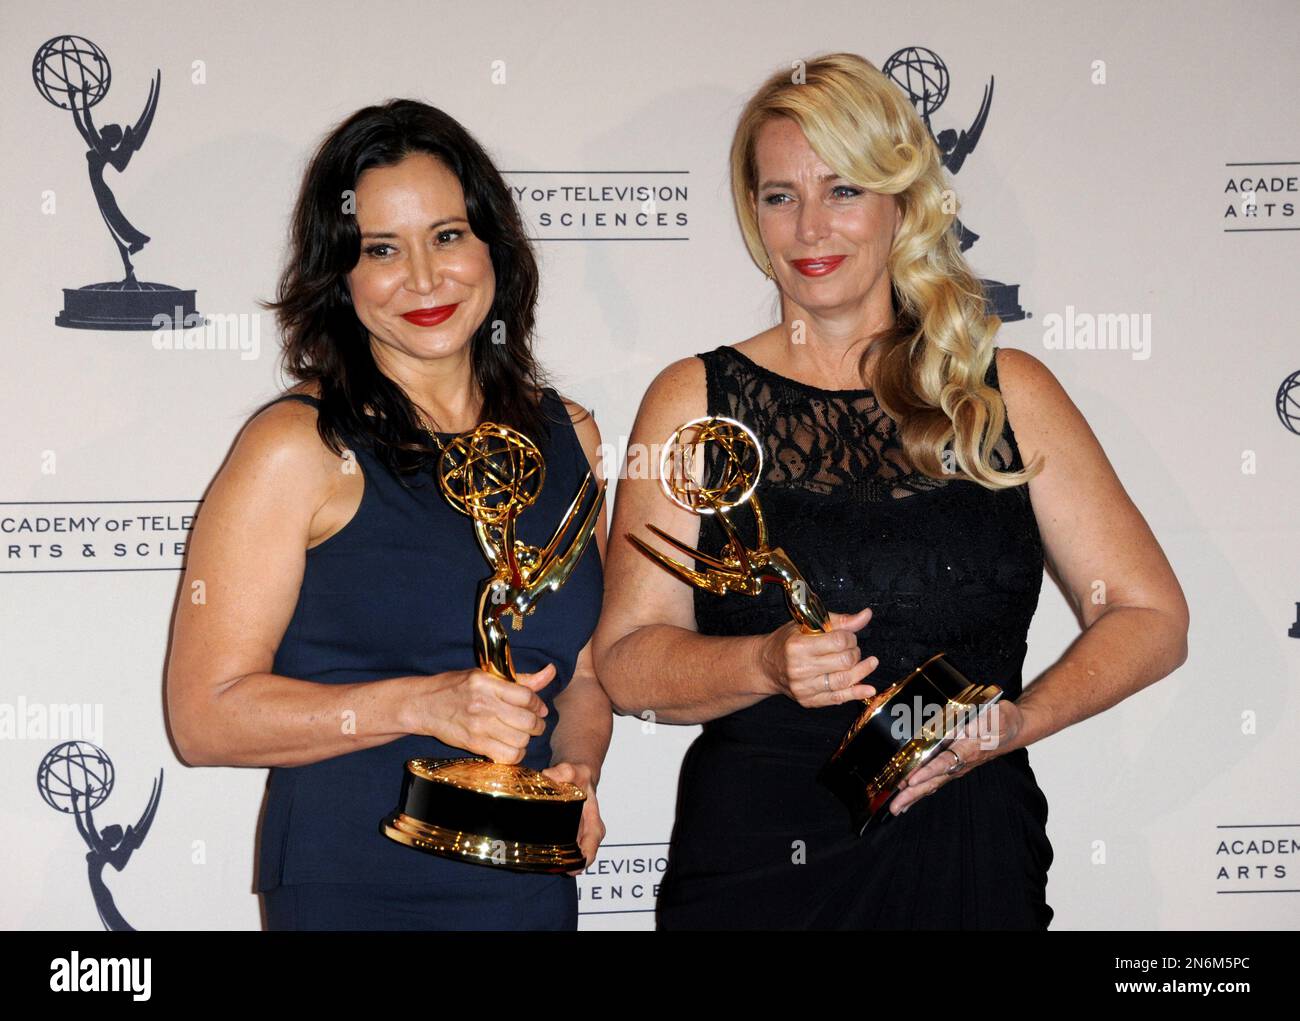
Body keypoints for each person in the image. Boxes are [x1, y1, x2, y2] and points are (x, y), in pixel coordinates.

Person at [592, 53, 1190, 930]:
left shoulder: (1004, 390)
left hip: (966, 846)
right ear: (751, 213)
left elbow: (1151, 617)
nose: (808, 228)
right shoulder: (694, 399)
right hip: (759, 860)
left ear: (901, 202)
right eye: (778, 195)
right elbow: (625, 661)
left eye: (842, 190)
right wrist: (762, 663)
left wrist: (1013, 724)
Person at [165, 100, 610, 930]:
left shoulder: (570, 435)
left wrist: (576, 770)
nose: (424, 279)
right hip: (356, 879)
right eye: (381, 250)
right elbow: (203, 717)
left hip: (523, 880)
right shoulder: (296, 447)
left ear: (494, 247)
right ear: (340, 274)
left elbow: (583, 673)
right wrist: (422, 704)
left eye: (448, 236)